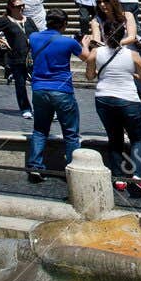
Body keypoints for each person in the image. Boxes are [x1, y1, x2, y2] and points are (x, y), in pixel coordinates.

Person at [26, 9, 91, 183]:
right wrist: (84, 43)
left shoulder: (34, 37)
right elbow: (88, 58)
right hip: (62, 90)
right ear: (64, 24)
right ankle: (72, 168)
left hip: (39, 88)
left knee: (40, 129)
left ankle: (35, 166)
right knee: (70, 133)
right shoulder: (68, 42)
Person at [0, 0, 33, 118]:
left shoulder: (28, 20)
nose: (21, 8)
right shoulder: (5, 20)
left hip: (31, 56)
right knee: (20, 83)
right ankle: (25, 108)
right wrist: (3, 41)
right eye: (18, 6)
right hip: (16, 56)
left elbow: (36, 34)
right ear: (11, 8)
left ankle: (42, 107)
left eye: (23, 5)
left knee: (37, 82)